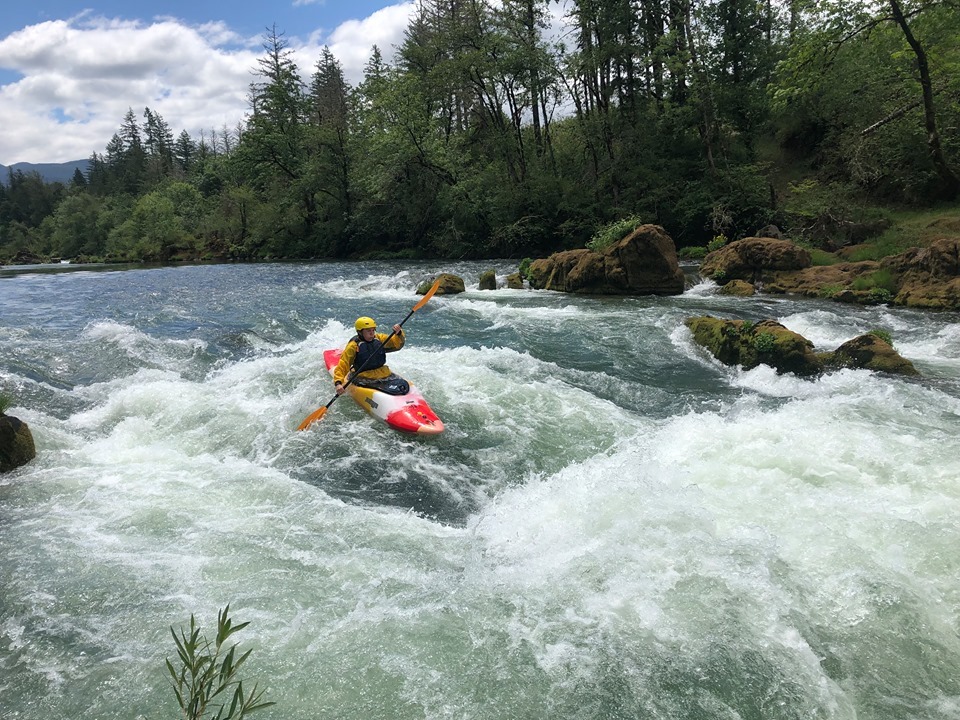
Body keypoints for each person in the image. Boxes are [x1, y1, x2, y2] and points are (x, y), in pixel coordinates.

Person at [333, 316, 406, 395]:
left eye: (373, 330)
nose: (372, 333)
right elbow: (344, 363)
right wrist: (338, 383)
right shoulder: (353, 346)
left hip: (383, 372)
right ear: (360, 332)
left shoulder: (379, 338)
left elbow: (396, 344)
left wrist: (398, 333)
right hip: (363, 376)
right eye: (368, 331)